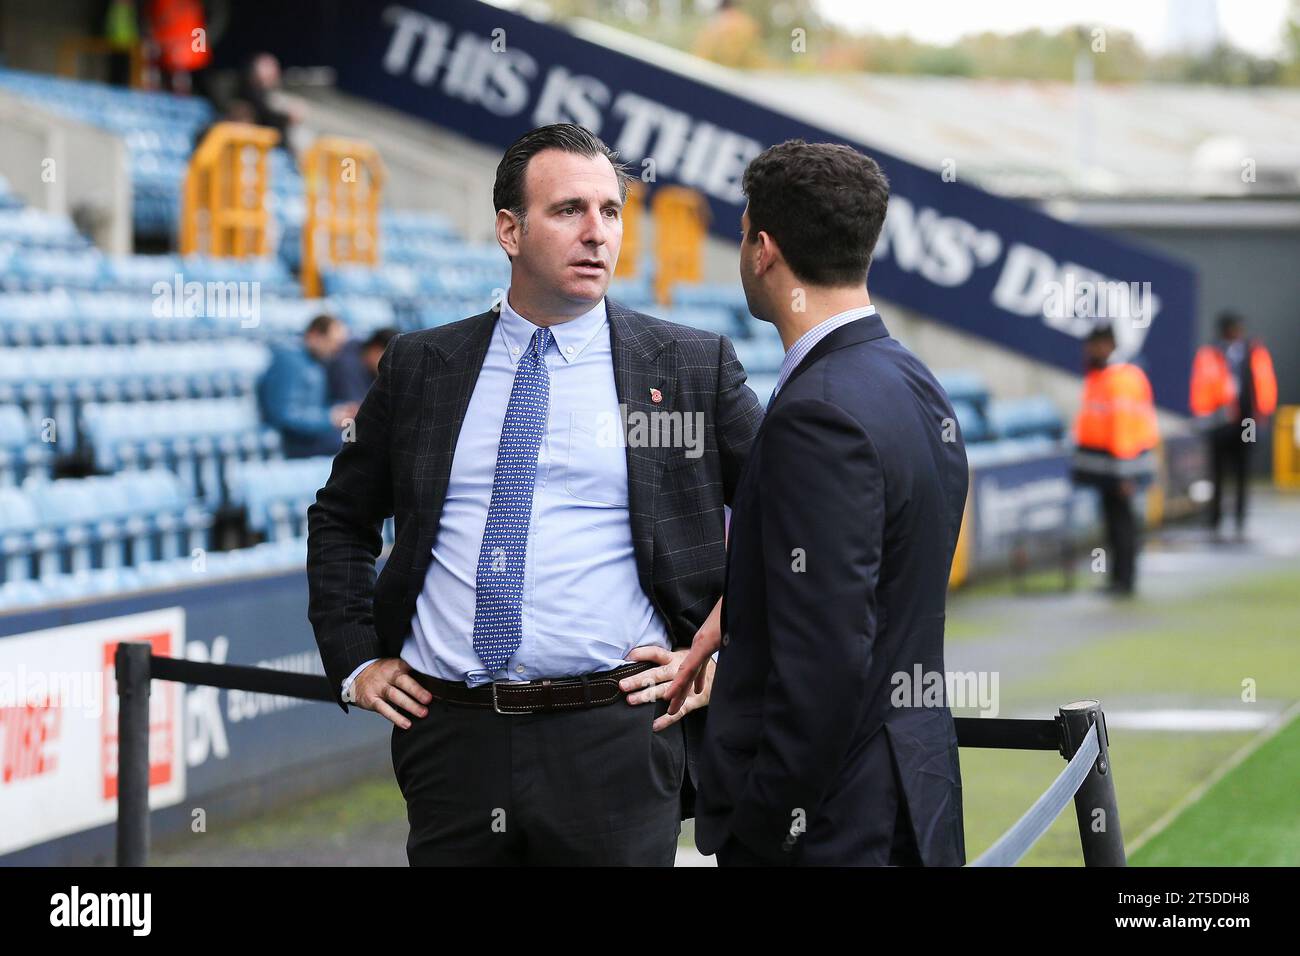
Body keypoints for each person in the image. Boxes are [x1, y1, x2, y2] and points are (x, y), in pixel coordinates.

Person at [305, 123, 764, 866]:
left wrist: (722, 644)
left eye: (611, 212)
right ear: (509, 231)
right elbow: (340, 518)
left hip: (616, 735)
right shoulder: (424, 366)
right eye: (569, 211)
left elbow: (788, 510)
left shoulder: (684, 366)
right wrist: (356, 658)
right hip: (450, 738)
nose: (597, 234)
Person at [666, 140, 969, 866]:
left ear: (761, 248)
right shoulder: (914, 381)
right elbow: (871, 579)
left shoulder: (820, 409)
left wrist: (764, 826)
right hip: (909, 798)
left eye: (742, 231)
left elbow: (827, 661)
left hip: (834, 829)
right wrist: (739, 613)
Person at [1070, 325, 1160, 595]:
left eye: (1093, 345)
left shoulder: (1119, 378)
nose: (1088, 351)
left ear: (1107, 345)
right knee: (1114, 520)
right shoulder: (1106, 374)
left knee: (1122, 522)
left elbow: (1123, 428)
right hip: (1109, 465)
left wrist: (1125, 474)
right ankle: (1118, 577)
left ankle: (1124, 579)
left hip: (1120, 466)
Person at [1190, 312, 1278, 538]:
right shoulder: (1210, 353)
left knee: (1242, 467)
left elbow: (1265, 382)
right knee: (1217, 470)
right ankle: (1215, 517)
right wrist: (1204, 416)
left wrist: (1263, 413)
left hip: (1246, 421)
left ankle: (1240, 516)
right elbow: (1201, 385)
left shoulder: (1253, 351)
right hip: (1220, 421)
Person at [257, 314, 357, 459]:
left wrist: (338, 412)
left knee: (362, 437)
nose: (336, 351)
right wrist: (329, 418)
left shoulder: (316, 362)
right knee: (357, 446)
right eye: (333, 343)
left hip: (314, 435)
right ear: (314, 335)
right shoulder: (290, 362)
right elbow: (284, 416)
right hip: (295, 442)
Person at [325, 326, 399, 405]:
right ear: (375, 350)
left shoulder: (366, 362)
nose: (390, 367)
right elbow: (355, 408)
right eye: (390, 360)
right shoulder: (347, 365)